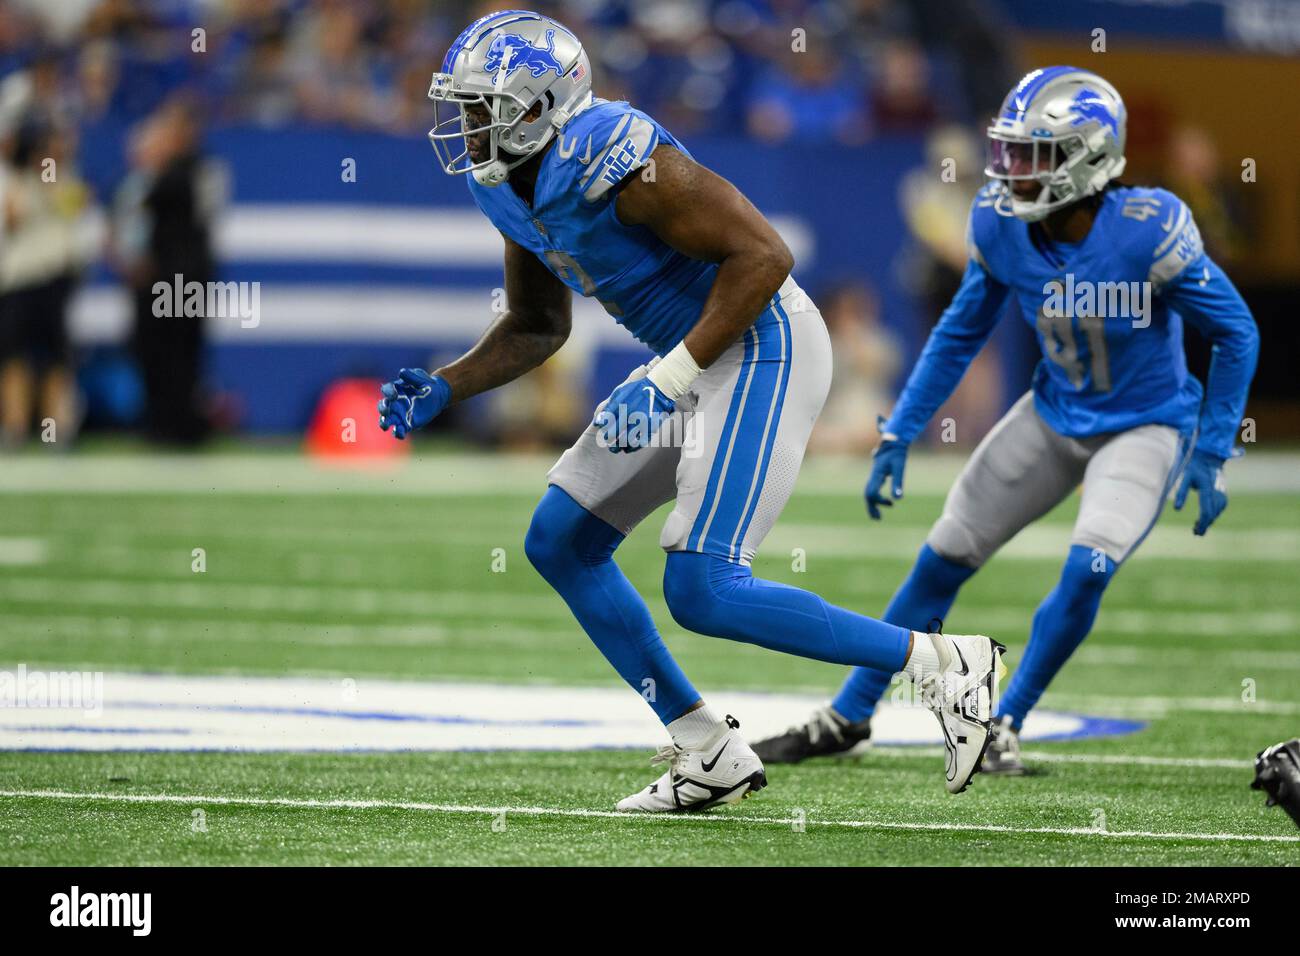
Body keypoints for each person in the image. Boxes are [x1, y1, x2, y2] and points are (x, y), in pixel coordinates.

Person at [376, 10, 1006, 810]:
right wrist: (450, 382)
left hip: (761, 345)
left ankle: (947, 668)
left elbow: (766, 257)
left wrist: (672, 375)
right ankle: (709, 749)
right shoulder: (502, 182)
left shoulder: (620, 159)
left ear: (538, 107)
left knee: (703, 588)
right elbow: (539, 322)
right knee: (560, 541)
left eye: (480, 107)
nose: (464, 125)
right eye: (462, 106)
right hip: (687, 367)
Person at [751, 67, 1259, 773]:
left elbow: (1236, 331)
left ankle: (1003, 724)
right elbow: (962, 330)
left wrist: (1209, 448)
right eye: (1011, 152)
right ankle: (847, 716)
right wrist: (902, 428)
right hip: (1051, 414)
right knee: (942, 557)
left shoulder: (1149, 230)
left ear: (1089, 158)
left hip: (1143, 425)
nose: (1013, 170)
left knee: (1087, 570)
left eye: (1035, 156)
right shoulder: (998, 221)